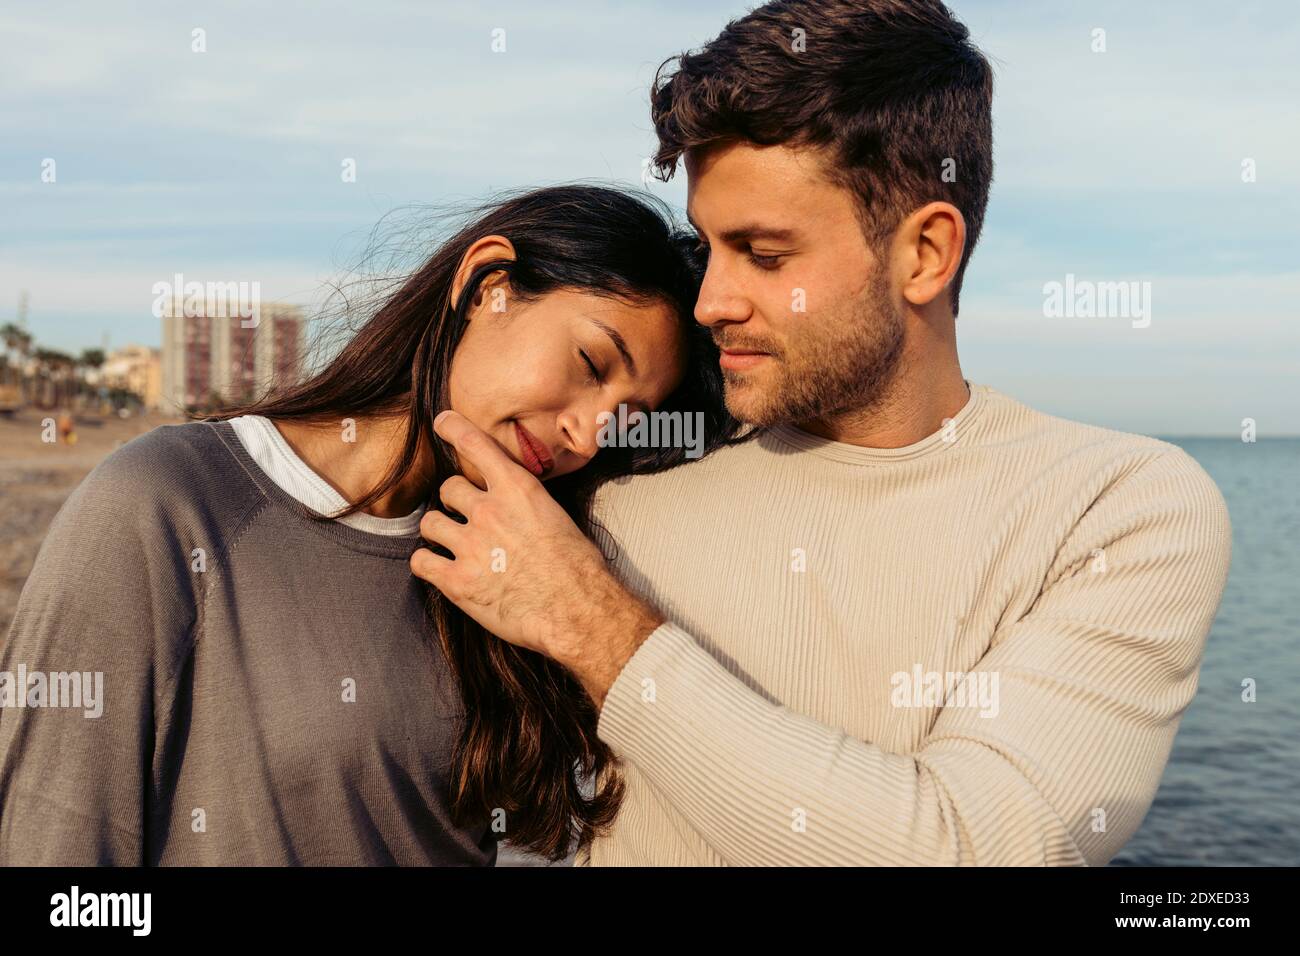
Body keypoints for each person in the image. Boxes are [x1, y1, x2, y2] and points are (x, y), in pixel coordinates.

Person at [411, 0, 1234, 866]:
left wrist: (596, 628)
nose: (710, 302)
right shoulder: (623, 464)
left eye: (763, 255)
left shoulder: (1120, 508)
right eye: (708, 247)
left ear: (925, 255)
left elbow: (978, 848)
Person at [0, 184, 739, 865]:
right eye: (591, 362)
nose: (588, 431)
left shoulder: (517, 563)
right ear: (489, 286)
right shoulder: (169, 501)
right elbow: (54, 853)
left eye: (627, 419)